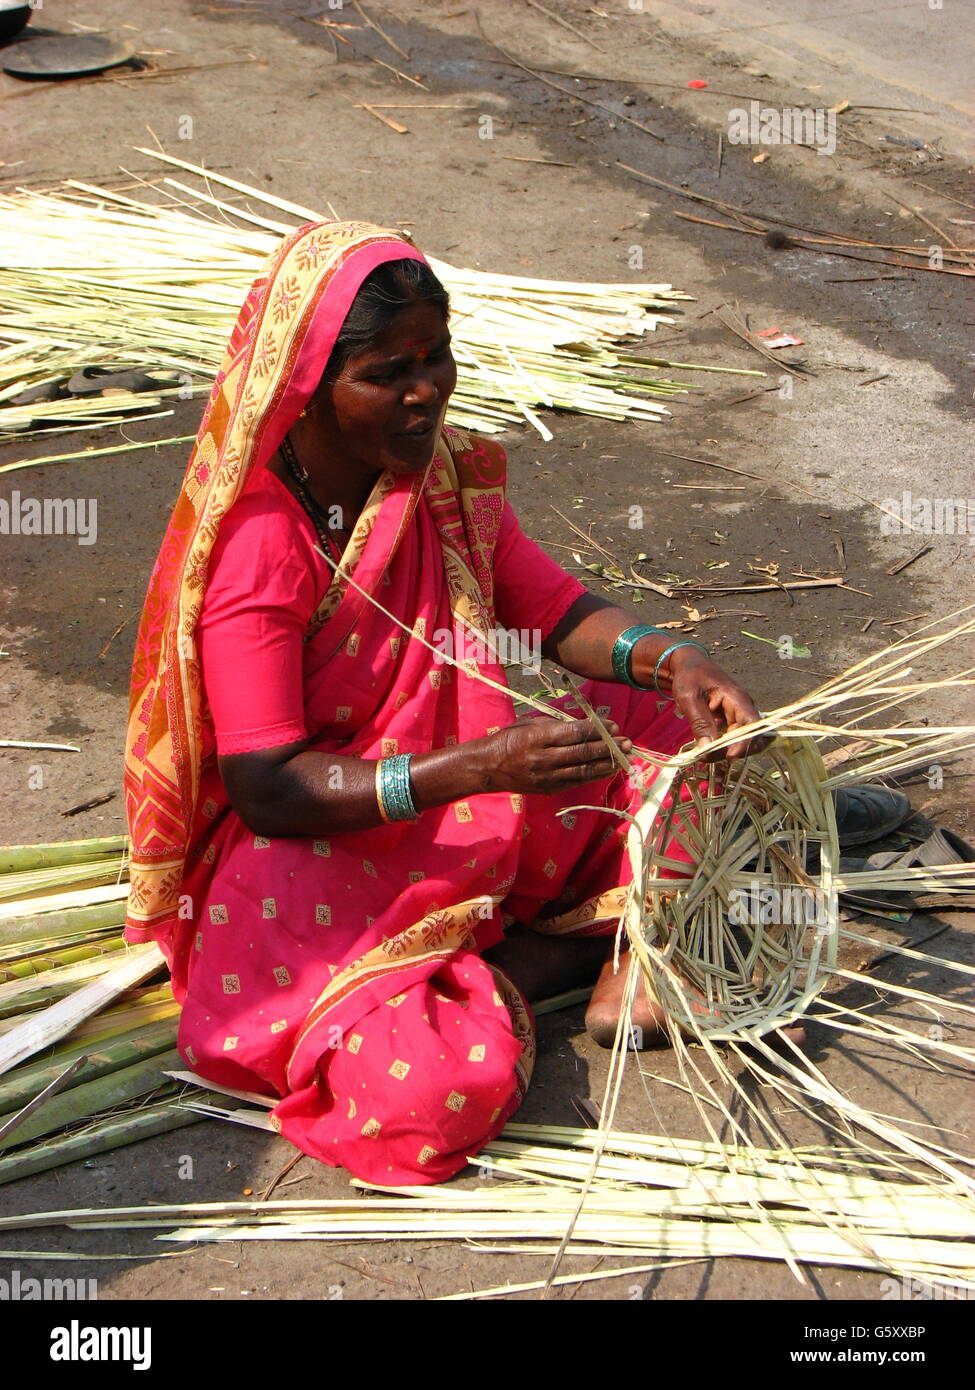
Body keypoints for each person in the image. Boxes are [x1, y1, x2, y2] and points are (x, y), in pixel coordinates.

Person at [123, 220, 910, 1186]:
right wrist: (475, 769)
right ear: (304, 385)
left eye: (436, 356)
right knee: (428, 1096)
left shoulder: (435, 475)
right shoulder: (259, 545)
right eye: (386, 373)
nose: (426, 392)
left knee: (694, 745)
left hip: (460, 796)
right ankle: (550, 963)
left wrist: (672, 660)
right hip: (325, 843)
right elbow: (269, 790)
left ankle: (585, 951)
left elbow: (548, 607)